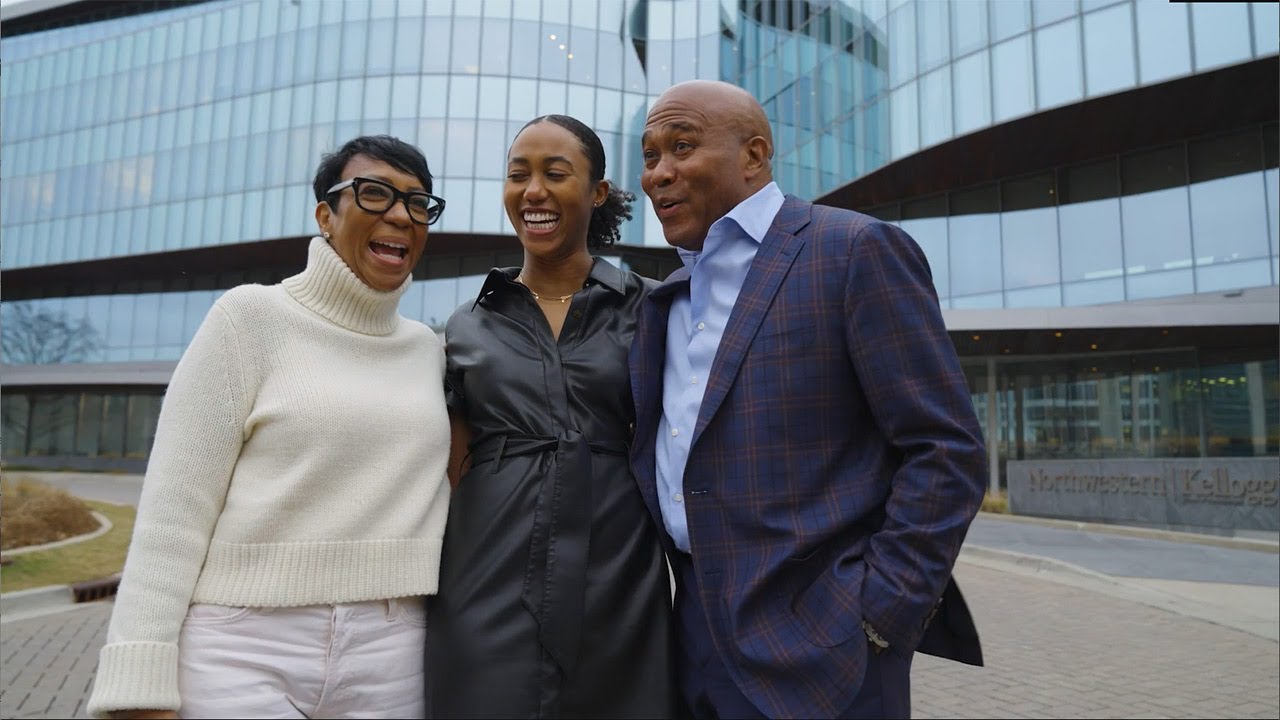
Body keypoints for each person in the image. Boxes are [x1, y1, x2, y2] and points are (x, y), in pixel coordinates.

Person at [628, 80, 988, 720]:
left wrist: (880, 614)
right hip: (691, 636)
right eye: (650, 155)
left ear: (754, 156)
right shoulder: (668, 297)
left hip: (827, 648)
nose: (659, 173)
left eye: (681, 147)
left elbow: (945, 450)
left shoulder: (853, 250)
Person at [87, 135, 452, 720]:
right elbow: (174, 514)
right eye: (374, 193)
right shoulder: (248, 319)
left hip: (395, 649)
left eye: (417, 203)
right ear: (325, 216)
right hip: (242, 647)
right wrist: (138, 680)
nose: (399, 215)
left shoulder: (429, 353)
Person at [427, 114, 674, 719]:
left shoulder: (653, 308)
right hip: (485, 577)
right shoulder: (467, 325)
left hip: (620, 577)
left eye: (554, 174)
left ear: (597, 193)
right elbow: (450, 465)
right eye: (518, 175)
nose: (532, 190)